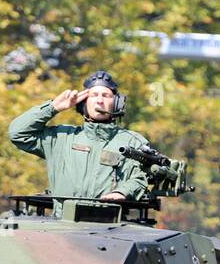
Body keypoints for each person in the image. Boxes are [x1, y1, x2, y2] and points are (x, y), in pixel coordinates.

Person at [8, 70, 149, 202]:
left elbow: (141, 177)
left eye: (105, 96)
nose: (100, 101)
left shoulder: (132, 142)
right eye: (94, 95)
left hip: (111, 222)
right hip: (63, 223)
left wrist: (123, 192)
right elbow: (18, 133)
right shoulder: (61, 138)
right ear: (83, 103)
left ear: (117, 103)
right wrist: (53, 107)